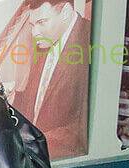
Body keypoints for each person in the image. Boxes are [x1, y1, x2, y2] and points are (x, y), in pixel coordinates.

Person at [14, 0, 92, 158]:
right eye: (32, 25)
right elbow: (33, 104)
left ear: (65, 12)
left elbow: (83, 126)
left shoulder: (93, 39)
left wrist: (32, 145)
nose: (35, 33)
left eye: (41, 22)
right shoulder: (45, 42)